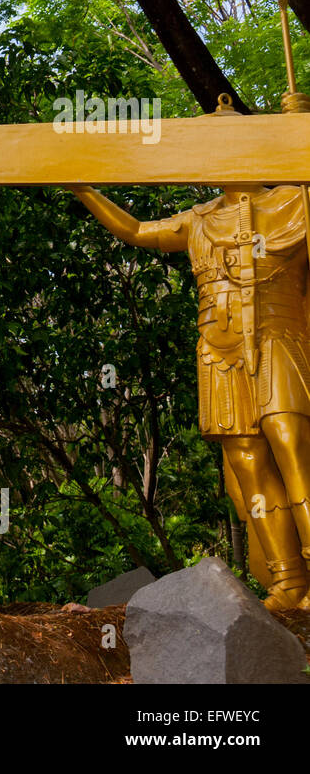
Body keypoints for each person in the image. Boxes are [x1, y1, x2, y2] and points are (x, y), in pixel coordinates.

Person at [72, 182, 310, 609]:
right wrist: (83, 189)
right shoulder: (198, 217)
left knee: (292, 444)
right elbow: (138, 230)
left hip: (278, 336)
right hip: (217, 352)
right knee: (248, 462)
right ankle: (288, 581)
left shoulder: (296, 200)